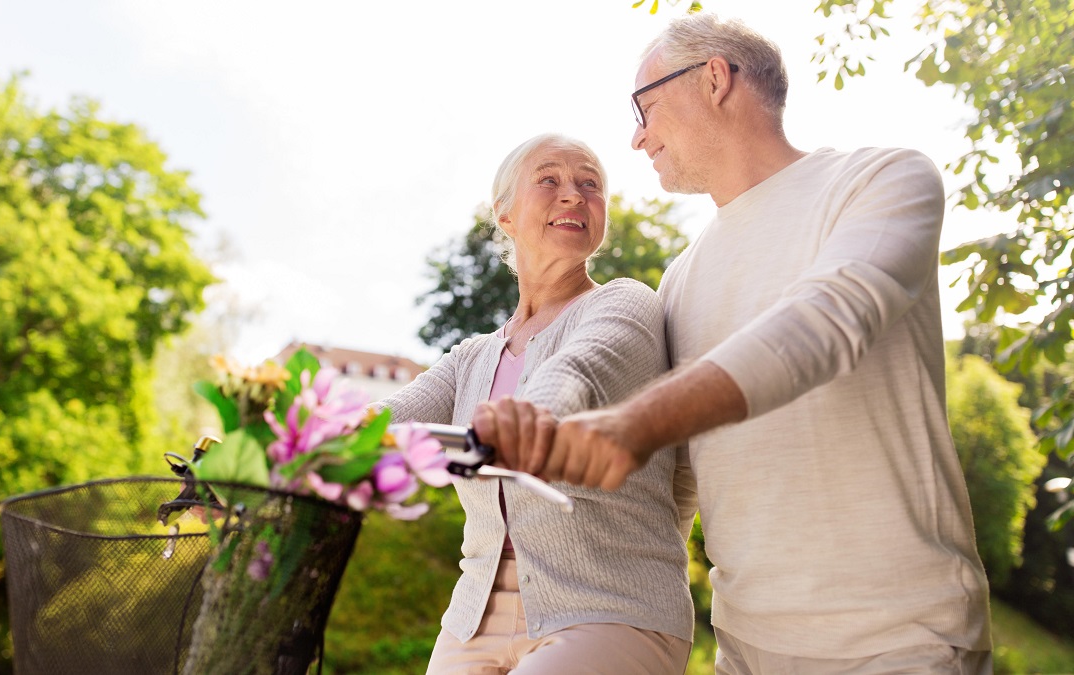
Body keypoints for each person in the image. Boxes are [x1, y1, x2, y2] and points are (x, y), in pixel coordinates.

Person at [478, 13, 994, 674]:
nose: (637, 137)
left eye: (645, 107)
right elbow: (675, 488)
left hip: (899, 639)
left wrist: (631, 422)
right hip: (745, 649)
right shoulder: (681, 279)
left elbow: (827, 319)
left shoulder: (879, 180)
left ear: (715, 78)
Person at [380, 133, 695, 674]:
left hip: (610, 607)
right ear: (504, 215)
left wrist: (531, 415)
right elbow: (383, 423)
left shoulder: (623, 302)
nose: (573, 194)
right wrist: (278, 438)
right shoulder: (472, 357)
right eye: (549, 179)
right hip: (473, 618)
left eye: (590, 184)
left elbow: (580, 370)